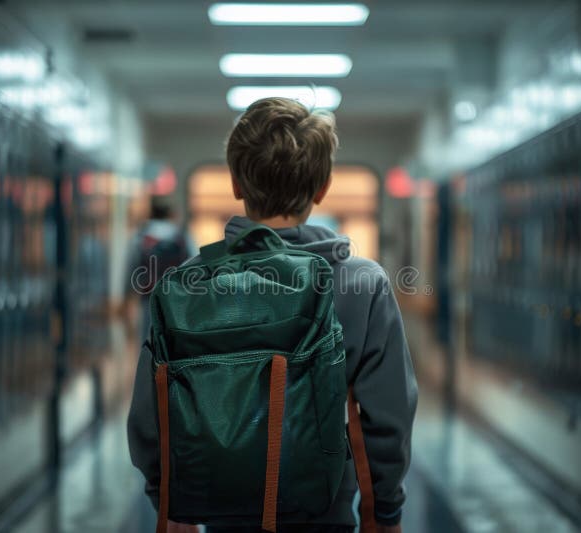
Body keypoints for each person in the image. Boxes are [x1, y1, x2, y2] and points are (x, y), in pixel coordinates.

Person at [128, 97, 417, 532]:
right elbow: (388, 415)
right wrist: (385, 511)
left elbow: (152, 415)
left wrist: (168, 501)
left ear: (236, 184)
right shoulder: (362, 284)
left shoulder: (187, 283)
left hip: (216, 508)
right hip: (325, 513)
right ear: (322, 188)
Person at [123, 194, 197, 340]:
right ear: (171, 213)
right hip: (177, 300)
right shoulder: (182, 236)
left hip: (148, 299)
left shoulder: (140, 237)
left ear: (151, 212)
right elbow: (195, 265)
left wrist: (126, 297)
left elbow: (130, 269)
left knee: (148, 339)